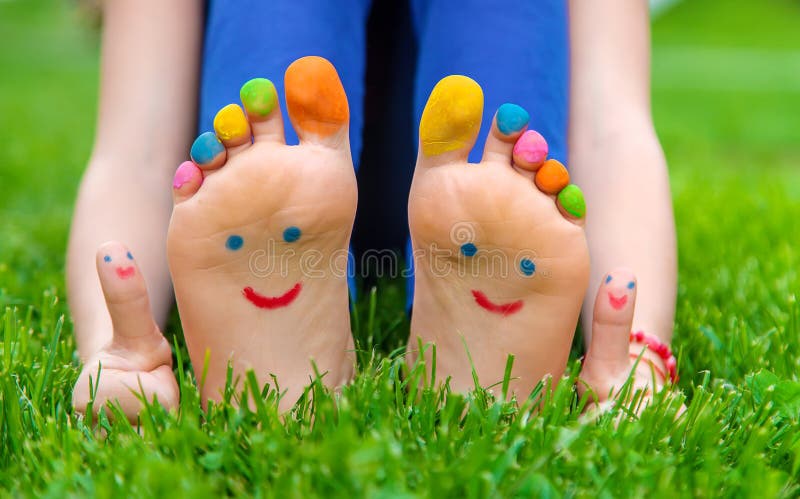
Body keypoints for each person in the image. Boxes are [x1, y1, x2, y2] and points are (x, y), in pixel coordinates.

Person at [70, 0, 677, 418]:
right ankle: (460, 289)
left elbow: (140, 146)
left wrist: (639, 356)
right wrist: (111, 352)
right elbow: (609, 126)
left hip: (445, 179)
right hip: (287, 191)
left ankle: (464, 254)